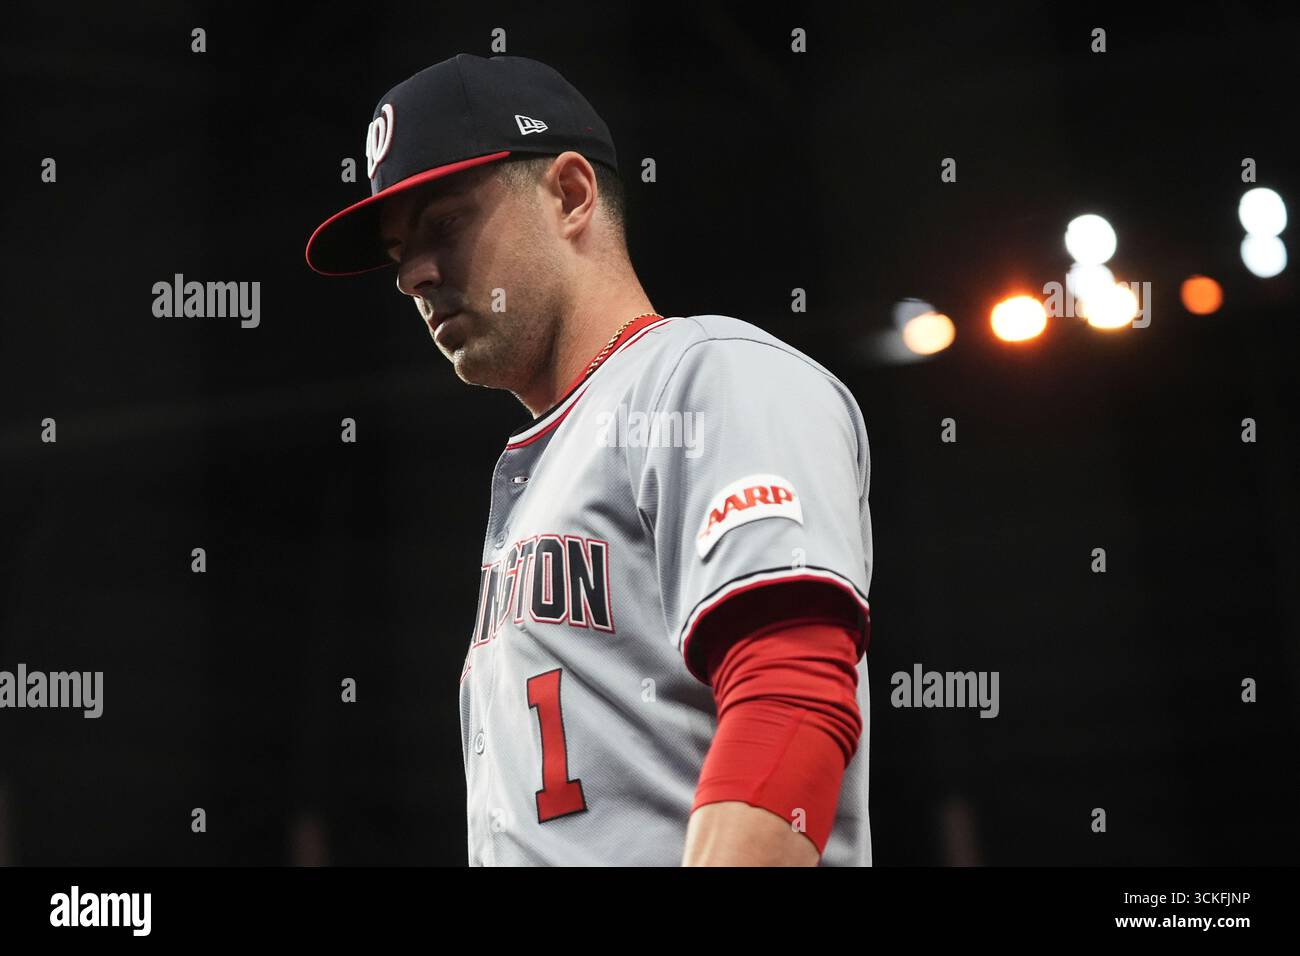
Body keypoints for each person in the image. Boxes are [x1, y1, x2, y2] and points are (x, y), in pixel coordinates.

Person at [306, 53, 874, 866]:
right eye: (400, 250)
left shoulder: (708, 373)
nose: (413, 276)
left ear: (571, 195)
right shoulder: (537, 469)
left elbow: (790, 693)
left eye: (445, 225)